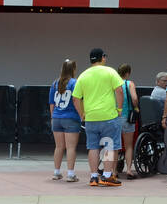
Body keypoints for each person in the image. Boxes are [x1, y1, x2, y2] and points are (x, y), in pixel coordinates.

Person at [72, 47, 125, 187]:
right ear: (102, 58)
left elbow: (75, 98)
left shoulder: (83, 75)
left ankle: (94, 177)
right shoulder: (110, 71)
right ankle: (107, 176)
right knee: (109, 145)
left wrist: (81, 114)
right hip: (108, 116)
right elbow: (119, 90)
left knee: (93, 147)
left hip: (90, 117)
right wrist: (119, 109)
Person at [48, 58, 80, 182]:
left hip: (56, 117)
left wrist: (53, 117)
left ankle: (56, 172)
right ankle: (71, 174)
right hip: (71, 118)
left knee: (59, 147)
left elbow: (51, 103)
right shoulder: (74, 82)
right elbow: (76, 100)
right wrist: (81, 114)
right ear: (73, 69)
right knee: (71, 148)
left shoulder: (55, 83)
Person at [117, 63, 139, 179]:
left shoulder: (113, 84)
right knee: (128, 146)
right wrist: (136, 107)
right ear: (127, 73)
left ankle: (112, 171)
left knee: (113, 145)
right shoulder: (129, 84)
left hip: (114, 117)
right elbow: (134, 98)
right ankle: (129, 170)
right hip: (126, 117)